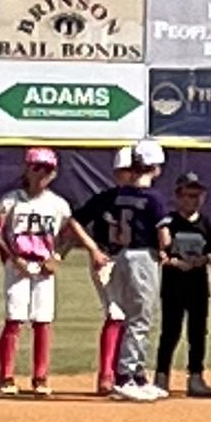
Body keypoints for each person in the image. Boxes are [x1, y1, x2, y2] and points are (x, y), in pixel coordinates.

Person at [78, 141, 172, 401]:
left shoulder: (120, 195)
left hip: (121, 256)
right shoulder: (153, 197)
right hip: (143, 257)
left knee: (132, 315)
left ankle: (139, 376)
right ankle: (125, 376)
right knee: (140, 317)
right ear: (155, 167)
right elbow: (164, 237)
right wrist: (168, 248)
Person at [0, 145, 76, 397]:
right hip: (20, 264)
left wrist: (58, 257)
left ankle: (40, 378)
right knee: (14, 319)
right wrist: (13, 259)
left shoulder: (58, 204)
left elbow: (71, 234)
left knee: (43, 321)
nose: (43, 173)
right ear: (27, 168)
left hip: (44, 266)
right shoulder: (11, 200)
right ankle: (5, 378)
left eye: (48, 169)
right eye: (37, 167)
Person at [155, 168, 211, 396]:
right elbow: (161, 252)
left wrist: (202, 260)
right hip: (173, 284)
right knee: (170, 331)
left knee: (197, 331)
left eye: (197, 195)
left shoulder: (206, 224)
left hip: (198, 284)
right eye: (188, 195)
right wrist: (172, 261)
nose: (193, 200)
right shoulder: (169, 222)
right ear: (178, 196)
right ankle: (162, 377)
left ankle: (196, 377)